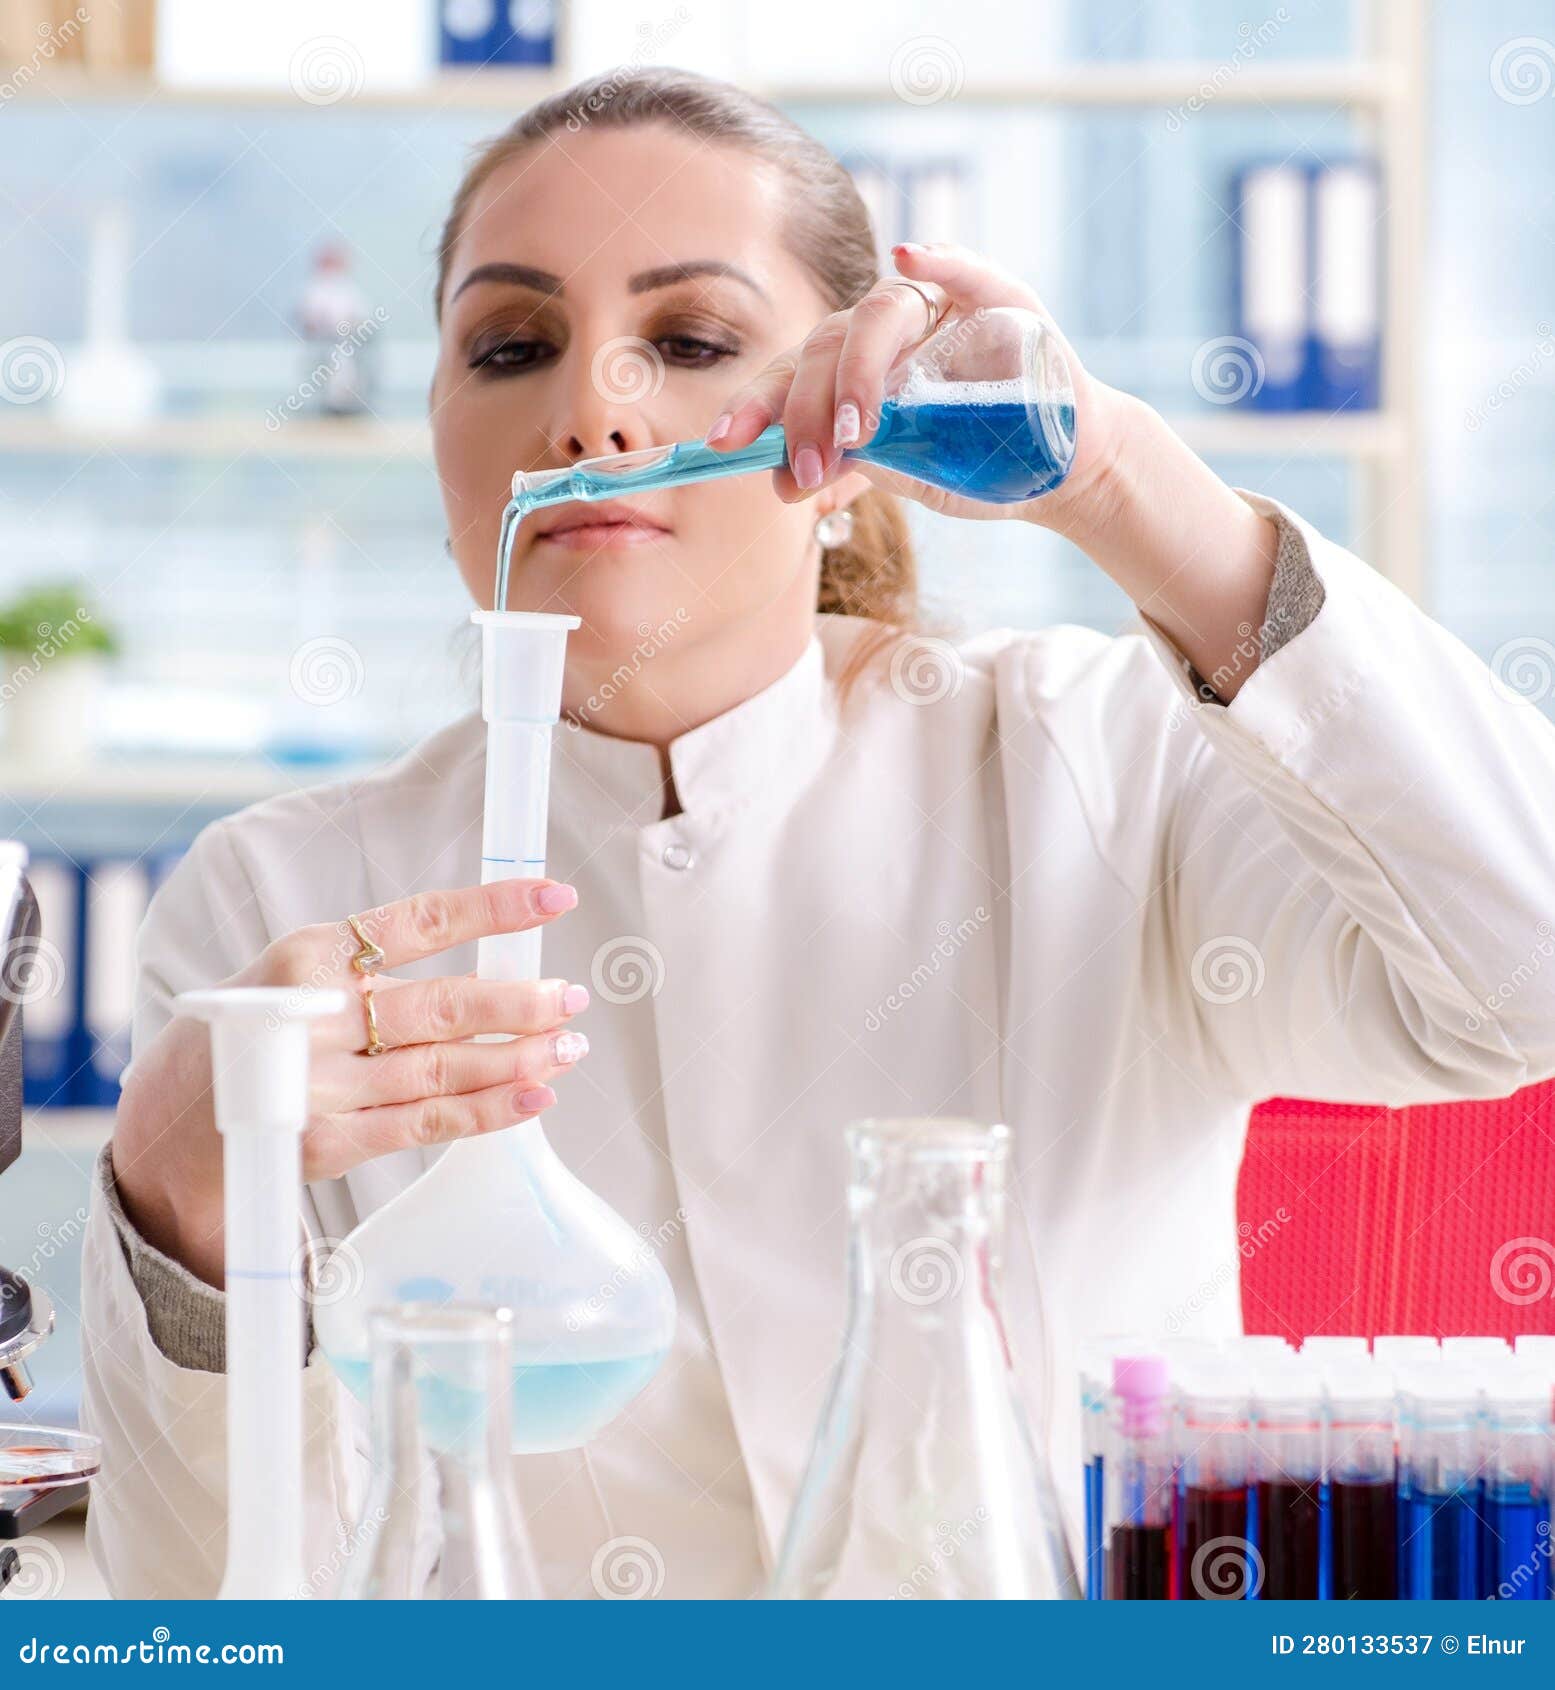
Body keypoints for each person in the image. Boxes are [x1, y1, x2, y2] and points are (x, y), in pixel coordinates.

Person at [81, 68, 1555, 1599]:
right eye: (512, 346)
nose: (591, 407)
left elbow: (1524, 975)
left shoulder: (1100, 763)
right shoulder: (276, 905)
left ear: (851, 450)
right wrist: (182, 1200)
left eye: (692, 341)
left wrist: (1121, 482)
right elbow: (213, 1617)